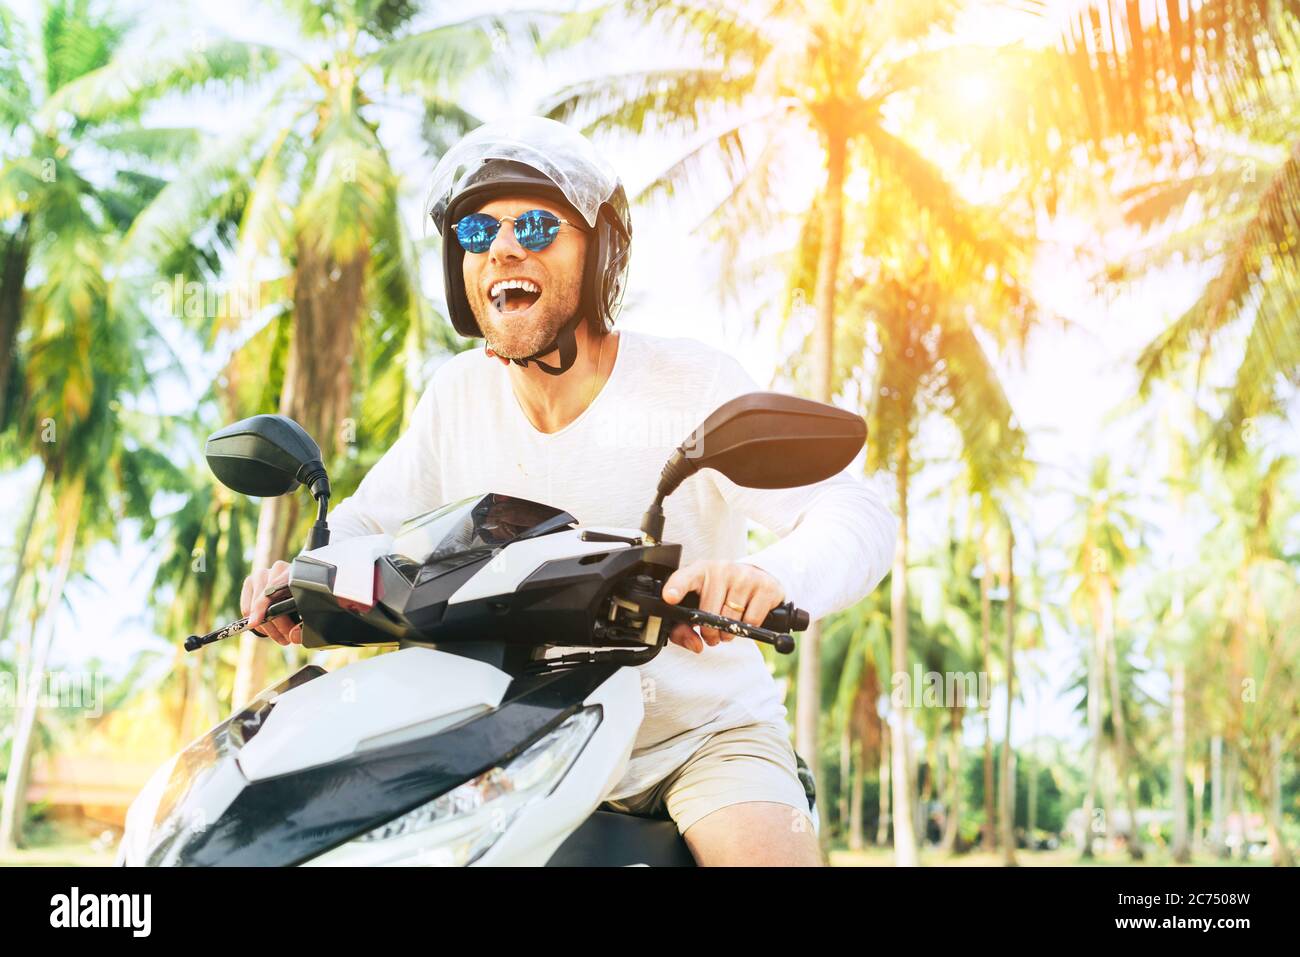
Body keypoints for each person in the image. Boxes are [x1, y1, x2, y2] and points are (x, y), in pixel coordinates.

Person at [241, 115, 898, 866]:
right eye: (477, 234)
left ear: (600, 253)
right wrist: (300, 580)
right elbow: (366, 525)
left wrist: (769, 575)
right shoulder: (456, 397)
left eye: (535, 225)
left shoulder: (692, 383)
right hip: (510, 742)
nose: (505, 247)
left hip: (695, 739)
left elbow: (856, 510)